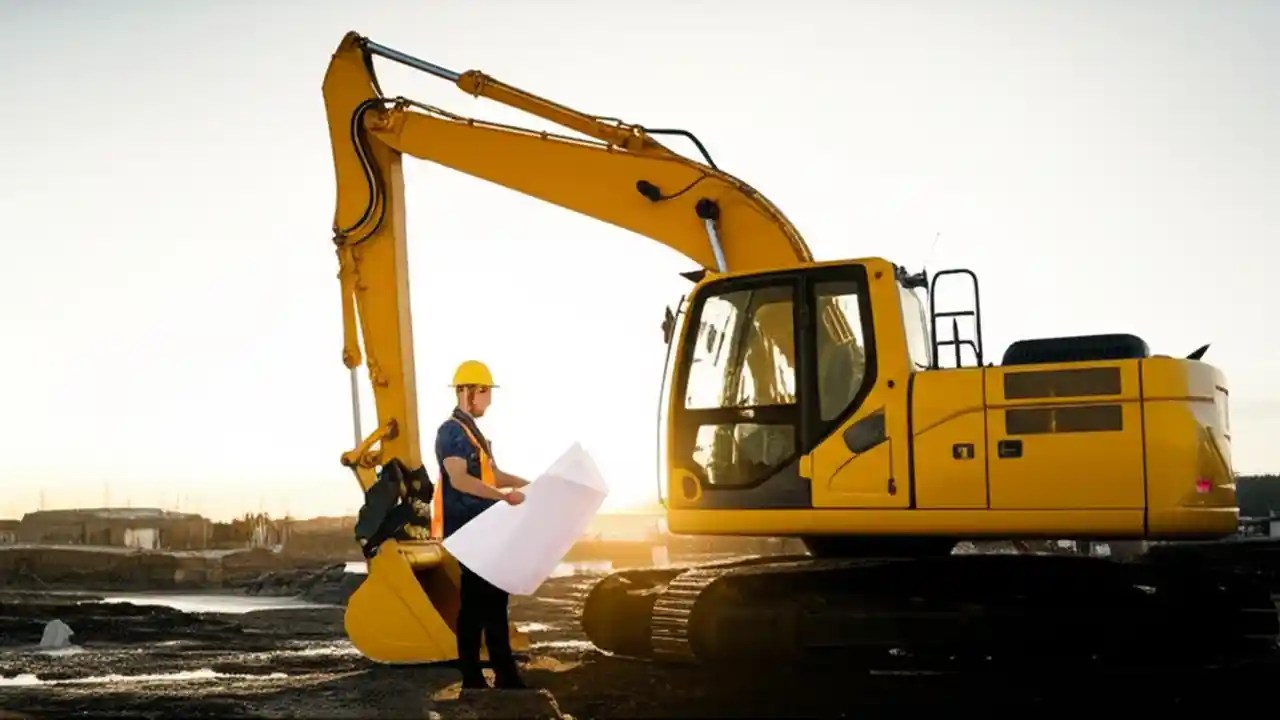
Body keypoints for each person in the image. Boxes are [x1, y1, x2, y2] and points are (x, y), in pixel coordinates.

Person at [433, 359, 533, 690]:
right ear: (469, 392)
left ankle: (499, 674)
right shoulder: (451, 432)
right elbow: (459, 480)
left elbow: (494, 475)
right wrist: (503, 498)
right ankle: (479, 676)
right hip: (468, 529)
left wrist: (530, 484)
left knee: (491, 599)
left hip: (485, 527)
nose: (489, 399)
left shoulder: (473, 434)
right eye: (486, 392)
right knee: (480, 602)